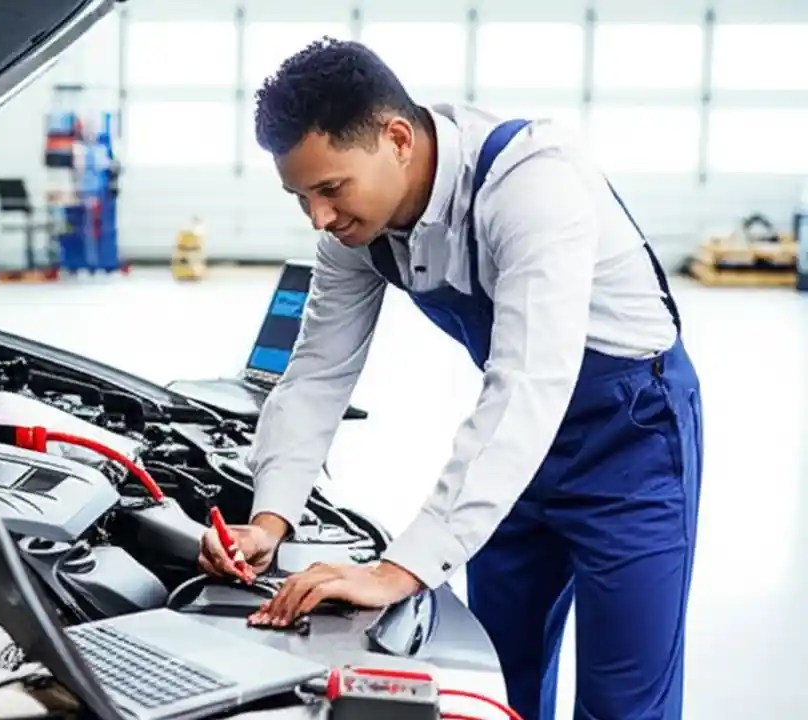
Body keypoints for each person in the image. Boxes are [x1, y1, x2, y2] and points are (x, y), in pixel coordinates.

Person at [196, 38, 703, 720]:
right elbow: (317, 372)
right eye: (300, 196)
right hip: (515, 451)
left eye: (330, 188)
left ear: (397, 138)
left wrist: (395, 573)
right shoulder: (355, 233)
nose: (318, 217)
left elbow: (530, 381)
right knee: (495, 674)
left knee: (623, 701)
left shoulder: (532, 184)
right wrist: (269, 519)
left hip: (631, 441)